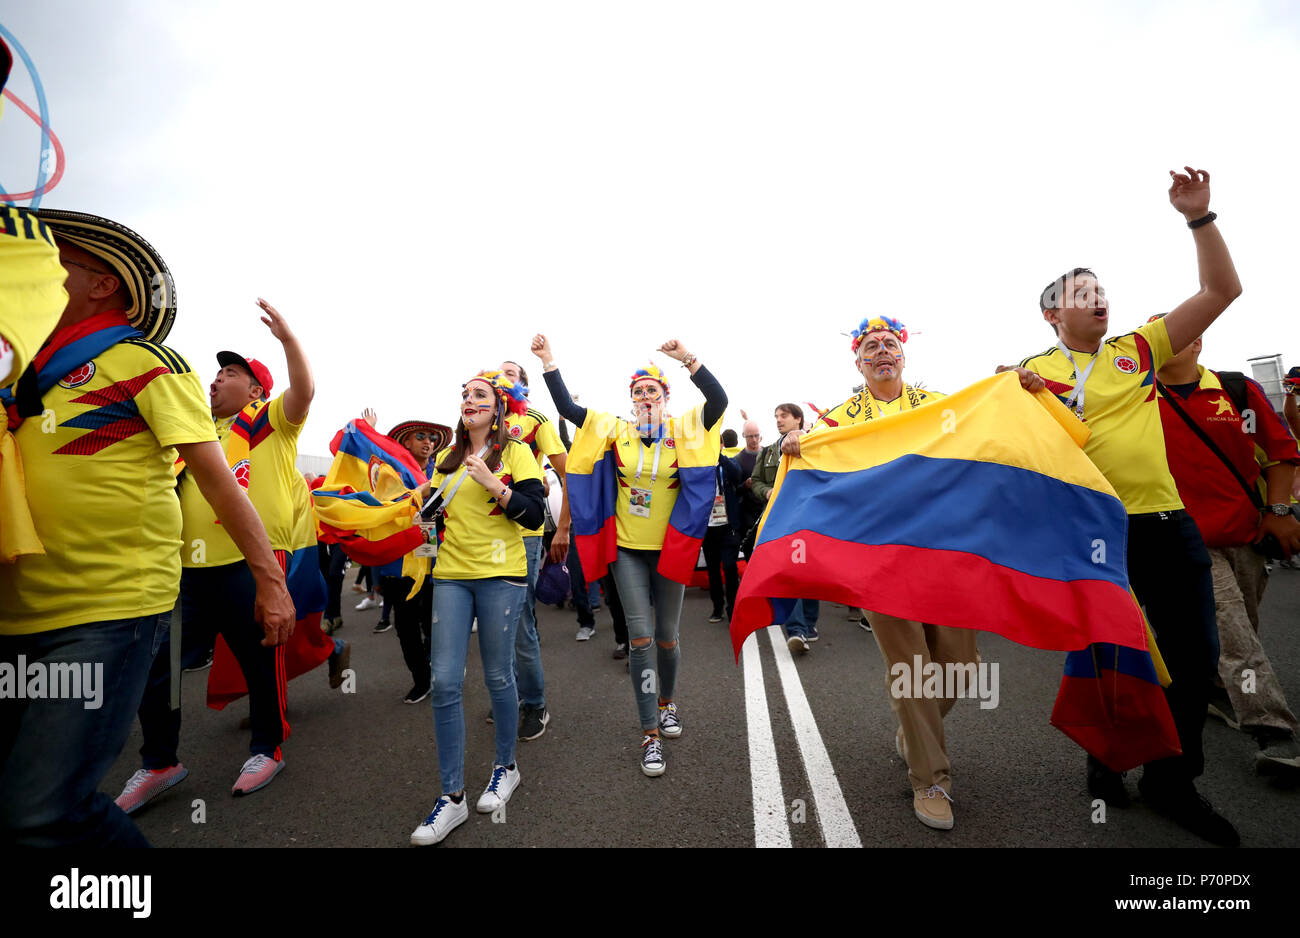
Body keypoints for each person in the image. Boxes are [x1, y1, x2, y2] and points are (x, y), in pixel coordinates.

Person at [0, 212, 293, 846]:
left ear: (104, 284)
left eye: (56, 262)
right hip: (18, 609)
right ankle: (159, 761)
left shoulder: (149, 363)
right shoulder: (14, 378)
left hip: (105, 607)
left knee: (41, 809)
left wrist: (272, 581)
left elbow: (219, 483)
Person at [999, 166, 1243, 847]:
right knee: (1112, 658)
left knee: (1195, 658)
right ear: (1052, 313)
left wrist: (1199, 217)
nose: (1099, 298)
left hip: (1167, 526)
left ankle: (1173, 781)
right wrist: (1012, 396)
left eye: (1102, 290)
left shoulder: (1140, 348)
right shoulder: (1029, 374)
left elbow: (1222, 290)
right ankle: (1106, 759)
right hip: (1090, 537)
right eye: (1082, 293)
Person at [118, 298, 344, 814]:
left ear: (257, 390)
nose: (216, 380)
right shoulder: (191, 433)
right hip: (186, 572)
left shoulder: (267, 423)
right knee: (161, 665)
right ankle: (159, 762)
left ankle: (267, 749)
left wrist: (288, 340)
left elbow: (304, 392)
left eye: (230, 373)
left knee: (262, 661)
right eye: (215, 372)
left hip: (249, 567)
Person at [783, 316, 970, 831]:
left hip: (945, 552)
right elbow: (815, 463)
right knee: (910, 668)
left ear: (904, 356)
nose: (882, 351)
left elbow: (987, 432)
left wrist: (1017, 387)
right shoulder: (841, 419)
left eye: (890, 344)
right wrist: (798, 440)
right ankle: (930, 779)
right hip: (880, 560)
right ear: (858, 360)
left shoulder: (941, 405)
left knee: (959, 665)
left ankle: (914, 734)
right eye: (872, 346)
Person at [535, 334, 727, 777]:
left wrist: (687, 360)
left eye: (651, 391)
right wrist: (549, 362)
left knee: (667, 637)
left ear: (665, 398)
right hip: (626, 550)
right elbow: (567, 409)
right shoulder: (614, 429)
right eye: (637, 391)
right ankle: (649, 734)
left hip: (671, 548)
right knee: (640, 638)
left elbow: (718, 398)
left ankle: (668, 702)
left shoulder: (686, 430)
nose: (644, 397)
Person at [1151, 326, 1300, 778]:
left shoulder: (1236, 390)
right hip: (1182, 540)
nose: (1177, 338)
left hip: (1247, 535)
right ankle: (1273, 733)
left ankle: (1215, 690)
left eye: (1186, 331)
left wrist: (1279, 511)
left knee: (1241, 629)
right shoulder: (1133, 400)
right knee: (1233, 633)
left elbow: (1279, 453)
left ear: (1199, 342)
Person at [407, 370, 544, 846]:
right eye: (465, 395)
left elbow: (535, 513)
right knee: (444, 680)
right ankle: (452, 797)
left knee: (498, 676)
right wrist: (422, 508)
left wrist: (494, 484)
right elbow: (432, 523)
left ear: (499, 407)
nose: (470, 400)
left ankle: (505, 768)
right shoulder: (445, 462)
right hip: (450, 575)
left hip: (502, 575)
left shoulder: (517, 453)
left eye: (480, 394)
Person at [498, 359, 567, 740]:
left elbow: (566, 470)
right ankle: (510, 696)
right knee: (497, 619)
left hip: (525, 531)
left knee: (520, 617)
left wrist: (565, 530)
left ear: (523, 385)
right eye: (498, 372)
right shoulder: (483, 422)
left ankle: (535, 704)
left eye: (510, 373)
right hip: (485, 535)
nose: (501, 376)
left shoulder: (536, 420)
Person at [381, 418, 452, 704]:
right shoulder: (389, 473)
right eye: (420, 436)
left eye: (432, 438)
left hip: (428, 545)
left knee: (431, 616)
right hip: (397, 555)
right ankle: (421, 679)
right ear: (405, 442)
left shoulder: (443, 472)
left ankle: (437, 671)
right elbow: (382, 505)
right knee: (405, 622)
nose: (428, 442)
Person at [752, 404, 823, 650]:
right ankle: (797, 630)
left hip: (809, 519)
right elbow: (756, 481)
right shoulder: (770, 451)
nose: (779, 420)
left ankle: (809, 623)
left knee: (809, 574)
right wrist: (767, 491)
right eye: (776, 417)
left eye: (784, 416)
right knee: (790, 573)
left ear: (798, 419)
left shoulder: (815, 445)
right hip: (781, 521)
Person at [702, 429, 744, 622]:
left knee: (729, 566)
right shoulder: (699, 466)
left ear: (721, 445)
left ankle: (733, 608)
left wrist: (717, 456)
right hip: (708, 526)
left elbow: (738, 475)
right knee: (712, 569)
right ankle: (717, 607)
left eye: (715, 444)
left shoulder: (728, 462)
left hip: (728, 525)